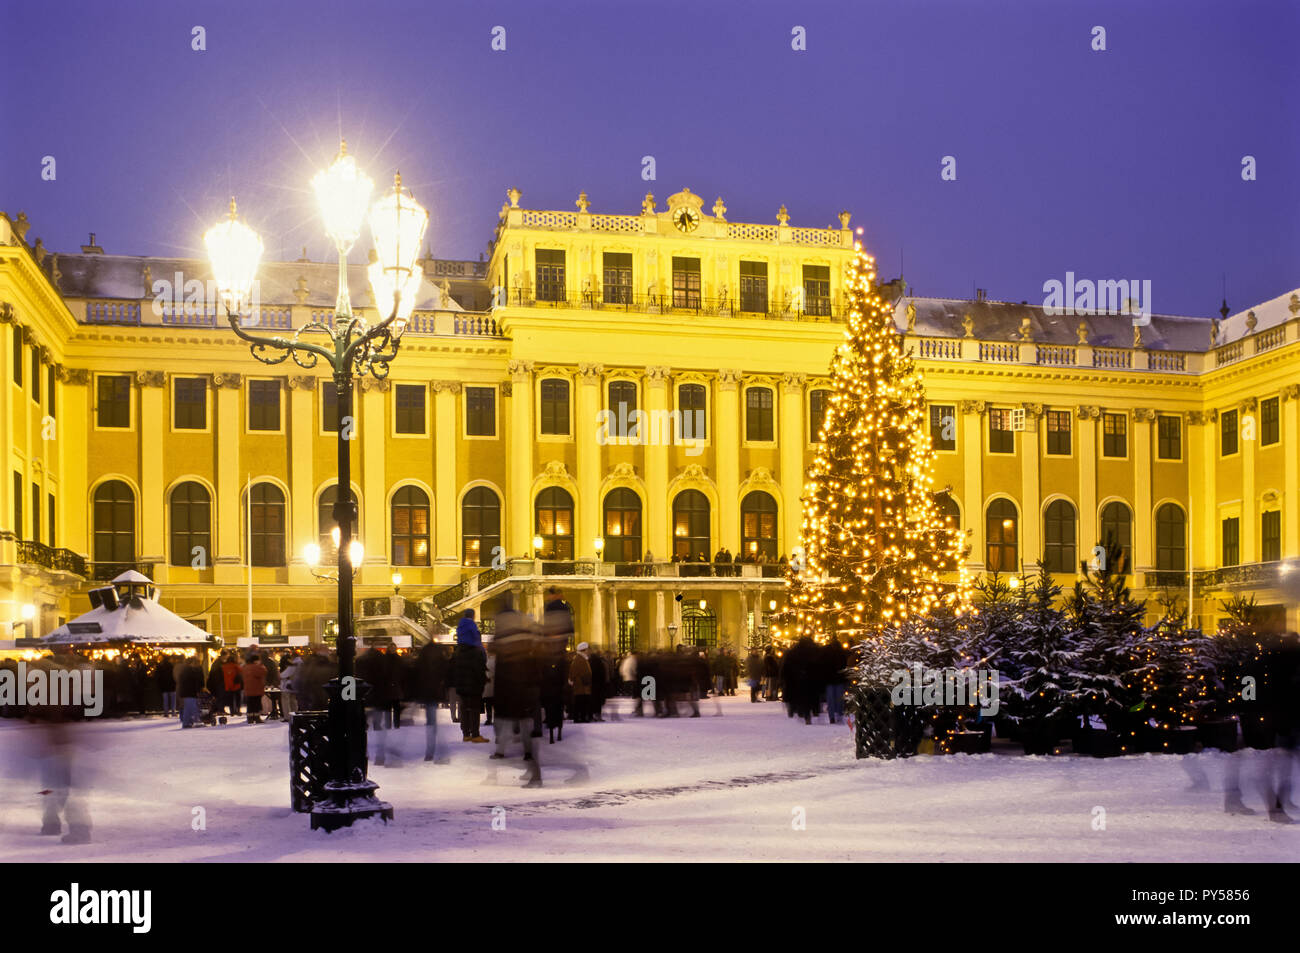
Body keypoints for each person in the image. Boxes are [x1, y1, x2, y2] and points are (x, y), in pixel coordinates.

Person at [489, 596, 542, 786]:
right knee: (526, 733)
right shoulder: (524, 637)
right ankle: (532, 772)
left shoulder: (505, 640)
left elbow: (506, 668)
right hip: (524, 692)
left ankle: (535, 775)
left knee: (523, 733)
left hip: (513, 691)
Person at [540, 588, 575, 742]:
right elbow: (569, 629)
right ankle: (557, 722)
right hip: (559, 648)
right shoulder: (564, 607)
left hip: (553, 650)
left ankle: (550, 719)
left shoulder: (550, 608)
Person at [453, 610, 489, 743]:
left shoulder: (458, 650)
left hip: (461, 683)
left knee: (463, 707)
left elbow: (453, 668)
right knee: (474, 707)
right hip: (473, 684)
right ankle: (475, 734)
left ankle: (466, 734)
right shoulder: (476, 651)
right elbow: (479, 668)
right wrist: (484, 679)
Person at [413, 641, 449, 762]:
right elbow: (445, 671)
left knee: (431, 722)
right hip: (433, 692)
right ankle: (438, 751)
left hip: (428, 692)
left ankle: (431, 752)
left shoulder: (423, 657)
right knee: (433, 722)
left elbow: (417, 672)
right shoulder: (439, 658)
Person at [240, 653, 267, 724]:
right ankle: (257, 718)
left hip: (248, 688)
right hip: (256, 688)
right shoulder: (257, 667)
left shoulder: (245, 667)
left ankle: (250, 718)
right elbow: (264, 672)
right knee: (256, 704)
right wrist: (261, 665)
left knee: (250, 704)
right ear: (256, 660)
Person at [569, 642, 593, 723]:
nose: (589, 651)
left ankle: (581, 717)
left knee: (581, 702)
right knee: (580, 702)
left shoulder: (581, 658)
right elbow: (575, 672)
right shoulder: (579, 659)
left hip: (582, 685)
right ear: (584, 650)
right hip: (581, 685)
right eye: (588, 649)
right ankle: (579, 718)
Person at [178, 658, 204, 728]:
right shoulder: (190, 671)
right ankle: (196, 721)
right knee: (193, 707)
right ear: (191, 663)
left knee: (188, 708)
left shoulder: (185, 670)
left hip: (186, 692)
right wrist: (197, 690)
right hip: (190, 692)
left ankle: (187, 723)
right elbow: (193, 682)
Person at [621, 650, 641, 716]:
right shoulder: (633, 660)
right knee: (637, 695)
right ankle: (638, 710)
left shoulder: (627, 660)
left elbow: (622, 669)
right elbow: (633, 669)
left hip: (626, 678)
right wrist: (635, 675)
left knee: (636, 695)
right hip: (632, 678)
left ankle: (637, 709)